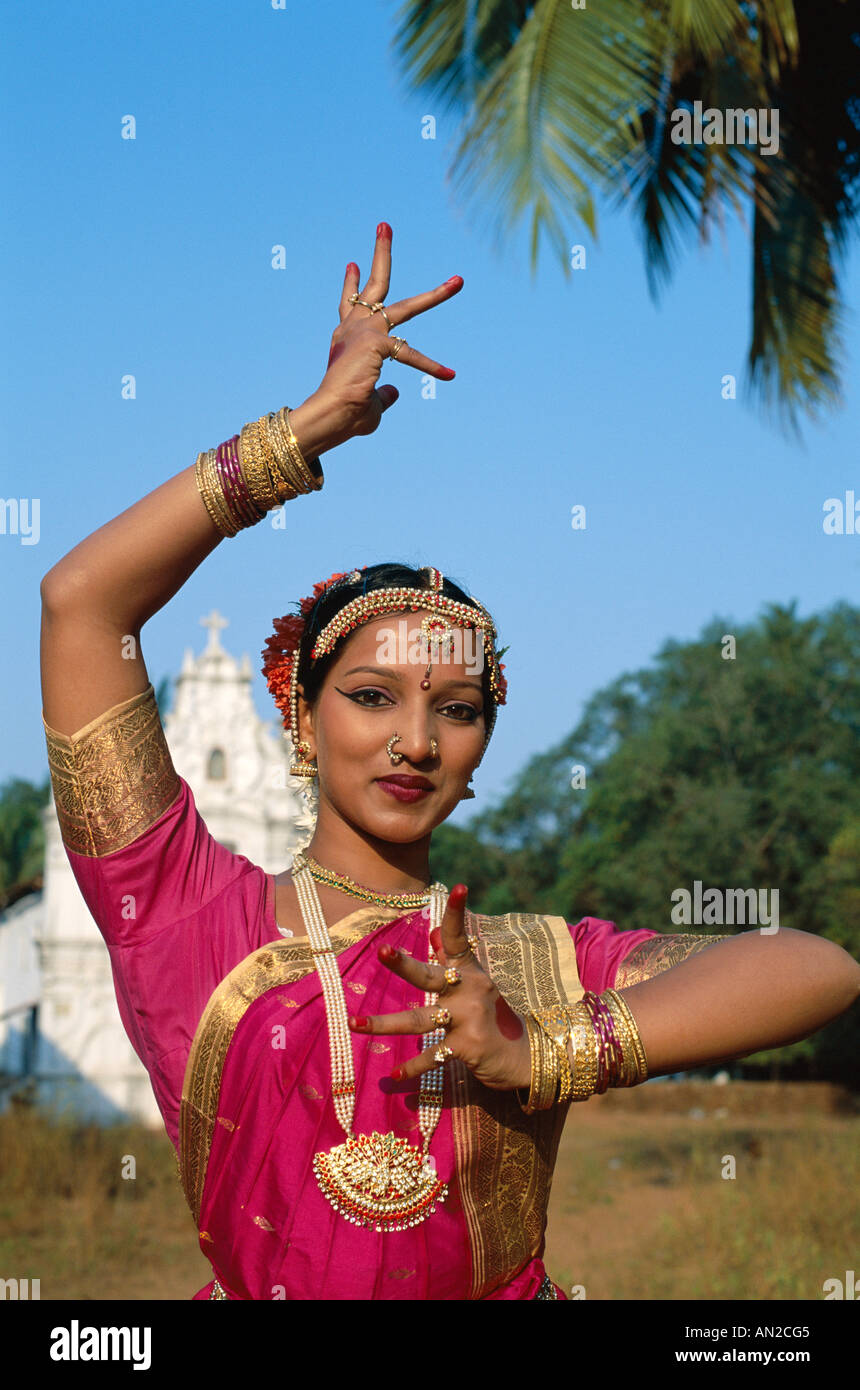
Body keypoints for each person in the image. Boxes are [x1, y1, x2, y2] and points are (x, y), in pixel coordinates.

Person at [39, 224, 860, 1301]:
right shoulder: (188, 913)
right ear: (299, 716)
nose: (415, 741)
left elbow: (817, 967)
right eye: (372, 696)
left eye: (457, 709)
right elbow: (82, 603)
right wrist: (306, 431)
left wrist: (541, 1052)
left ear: (481, 748)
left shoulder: (530, 961)